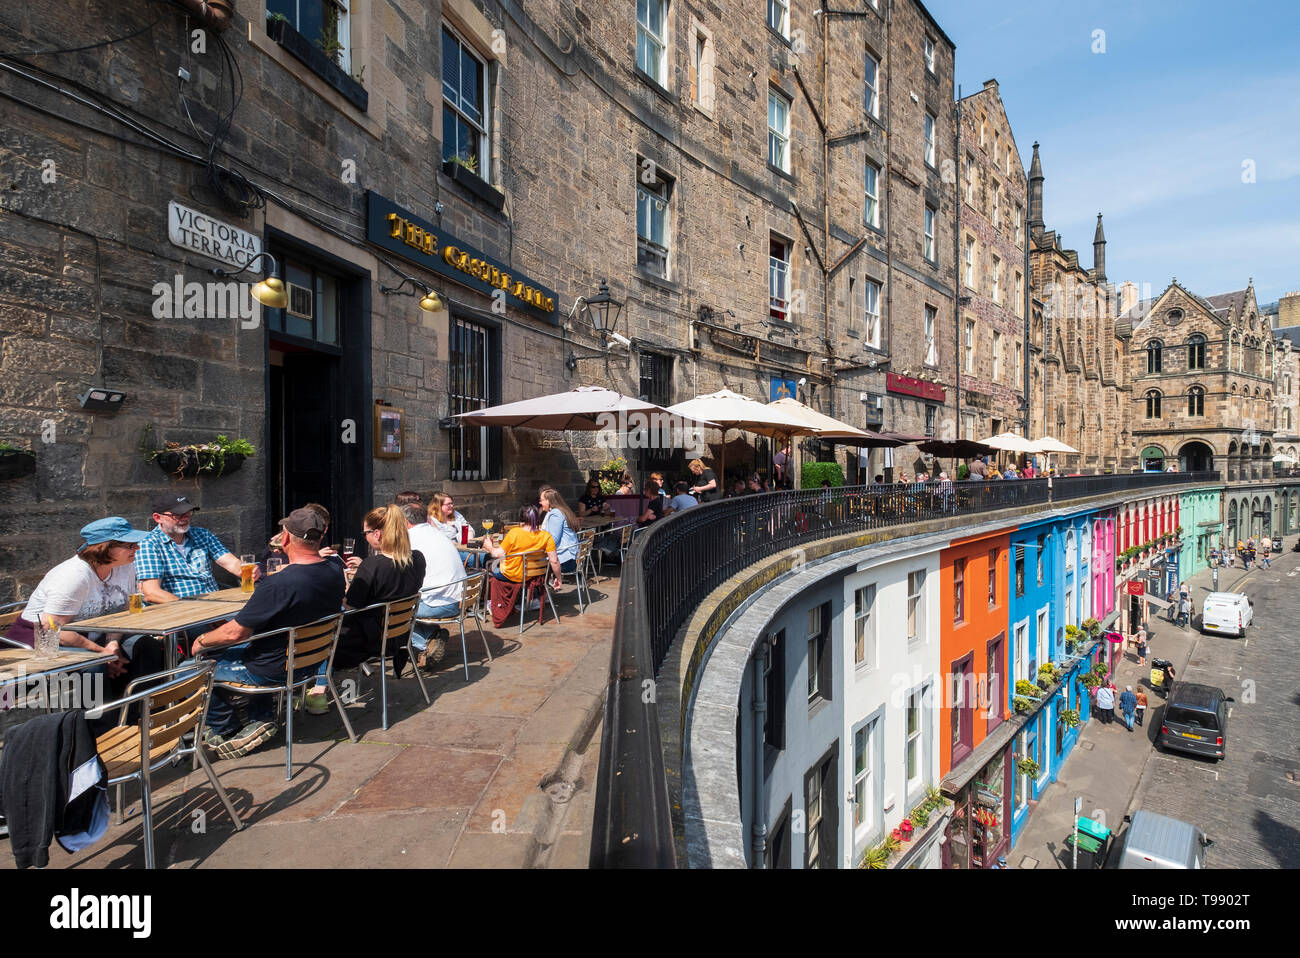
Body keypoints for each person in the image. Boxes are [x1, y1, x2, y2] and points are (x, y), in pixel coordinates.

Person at [190, 508, 346, 759]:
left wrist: (200, 641)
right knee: (249, 648)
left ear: (285, 538)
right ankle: (260, 719)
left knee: (190, 667)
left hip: (273, 669)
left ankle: (225, 729)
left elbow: (235, 633)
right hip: (309, 663)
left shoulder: (280, 584)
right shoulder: (334, 569)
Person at [4, 518, 164, 684]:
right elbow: (53, 628)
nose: (137, 548)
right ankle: (101, 711)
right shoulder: (75, 575)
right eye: (130, 545)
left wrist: (112, 644)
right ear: (104, 548)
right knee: (94, 665)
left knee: (146, 646)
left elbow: (122, 612)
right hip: (38, 644)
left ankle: (140, 707)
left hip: (90, 636)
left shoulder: (125, 566)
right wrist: (101, 652)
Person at [304, 504, 425, 707]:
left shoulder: (373, 566)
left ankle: (318, 693)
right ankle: (326, 688)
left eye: (366, 532)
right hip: (398, 637)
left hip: (366, 641)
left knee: (321, 633)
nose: (364, 536)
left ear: (377, 534)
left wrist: (342, 587)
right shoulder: (417, 558)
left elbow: (350, 606)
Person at [136, 493, 248, 602]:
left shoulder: (202, 534)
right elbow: (152, 593)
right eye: (177, 515)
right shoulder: (149, 544)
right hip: (179, 611)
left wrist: (247, 570)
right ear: (158, 518)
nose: (185, 518)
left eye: (188, 513)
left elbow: (231, 563)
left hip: (215, 604)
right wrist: (189, 607)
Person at [399, 502, 463, 672]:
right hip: (461, 600)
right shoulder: (437, 532)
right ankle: (432, 635)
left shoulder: (410, 538)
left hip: (439, 604)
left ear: (405, 522)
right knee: (411, 599)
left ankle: (423, 644)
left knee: (391, 611)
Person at [483, 504, 563, 589]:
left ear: (521, 517)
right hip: (535, 574)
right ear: (537, 517)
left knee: (488, 563)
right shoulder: (546, 536)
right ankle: (532, 596)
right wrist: (559, 579)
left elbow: (497, 554)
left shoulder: (514, 533)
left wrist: (490, 547)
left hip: (511, 574)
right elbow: (554, 561)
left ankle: (488, 599)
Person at [539, 487, 581, 573]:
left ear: (549, 501)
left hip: (564, 561)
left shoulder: (556, 514)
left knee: (529, 564)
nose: (540, 503)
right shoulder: (562, 511)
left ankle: (537, 585)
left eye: (542, 500)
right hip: (570, 558)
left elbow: (553, 540)